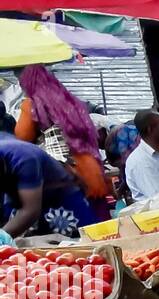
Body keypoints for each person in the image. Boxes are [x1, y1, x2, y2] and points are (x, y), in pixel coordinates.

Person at [14, 64, 112, 220]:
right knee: (101, 226)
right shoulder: (69, 100)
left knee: (77, 232)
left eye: (22, 83)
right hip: (92, 170)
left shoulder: (32, 104)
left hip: (65, 175)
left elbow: (22, 137)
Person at [0, 132, 98, 236]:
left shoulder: (24, 159)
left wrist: (2, 237)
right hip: (19, 194)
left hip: (61, 199)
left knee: (80, 243)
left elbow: (30, 211)